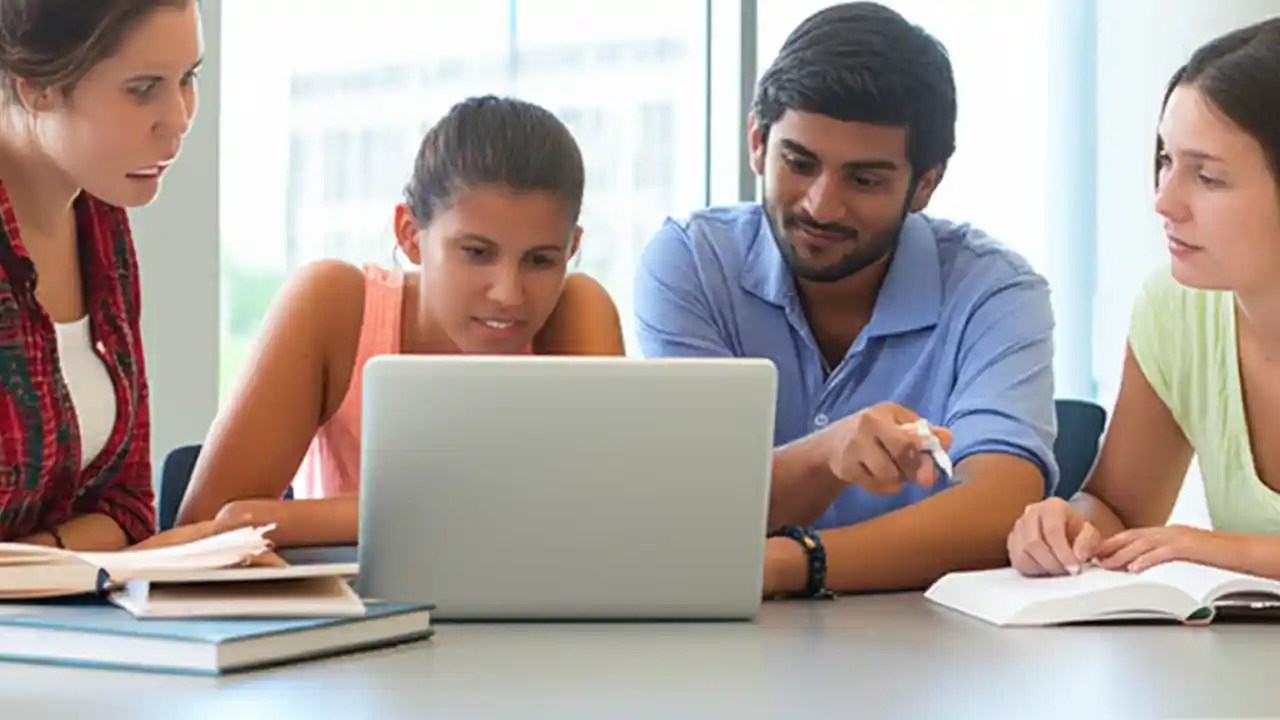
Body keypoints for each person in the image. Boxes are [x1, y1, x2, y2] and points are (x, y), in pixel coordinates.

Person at [635, 2, 1056, 597]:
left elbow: (997, 510)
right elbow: (696, 506)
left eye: (864, 180)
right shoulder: (693, 264)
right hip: (723, 655)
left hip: (934, 658)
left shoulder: (995, 291)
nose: (820, 206)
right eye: (798, 163)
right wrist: (824, 455)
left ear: (925, 184)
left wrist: (791, 563)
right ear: (758, 142)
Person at [175, 95, 624, 546]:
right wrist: (486, 507)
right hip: (356, 613)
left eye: (540, 260)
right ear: (410, 234)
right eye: (476, 253)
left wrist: (284, 521)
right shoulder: (336, 305)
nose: (508, 293)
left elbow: (606, 520)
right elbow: (204, 533)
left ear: (571, 249)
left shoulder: (576, 310)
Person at [1009, 19, 1280, 579]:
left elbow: (1194, 546)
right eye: (1165, 160)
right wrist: (1068, 525)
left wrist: (1224, 550)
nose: (1164, 201)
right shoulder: (1176, 309)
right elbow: (1120, 509)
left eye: (1207, 177)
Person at [0, 0, 202, 549]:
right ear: (36, 87)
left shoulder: (100, 220)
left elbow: (129, 504)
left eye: (187, 78)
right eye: (142, 88)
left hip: (49, 623)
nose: (180, 118)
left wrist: (36, 567)